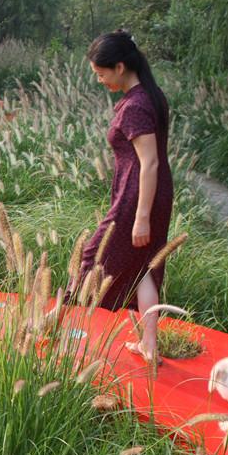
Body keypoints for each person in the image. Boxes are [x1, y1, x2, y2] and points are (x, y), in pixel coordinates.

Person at [73, 29, 174, 367]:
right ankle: (149, 344)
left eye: (100, 73)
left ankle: (58, 328)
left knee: (90, 259)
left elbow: (150, 162)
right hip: (150, 193)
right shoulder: (149, 96)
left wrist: (141, 216)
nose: (99, 80)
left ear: (119, 67)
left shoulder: (136, 105)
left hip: (138, 196)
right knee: (144, 267)